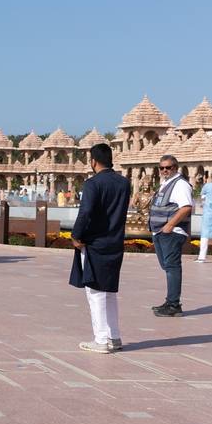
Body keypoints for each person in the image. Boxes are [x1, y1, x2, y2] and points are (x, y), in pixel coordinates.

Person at [70, 143, 131, 353]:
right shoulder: (124, 183)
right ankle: (114, 336)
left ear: (93, 161)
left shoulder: (92, 184)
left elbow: (85, 213)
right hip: (115, 241)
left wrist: (76, 235)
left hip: (95, 243)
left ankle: (101, 339)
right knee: (110, 291)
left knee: (95, 291)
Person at [150, 155, 193, 317]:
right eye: (161, 168)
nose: (165, 171)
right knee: (167, 266)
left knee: (172, 267)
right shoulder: (166, 183)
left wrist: (170, 225)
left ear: (175, 168)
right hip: (160, 231)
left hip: (171, 232)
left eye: (168, 168)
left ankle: (174, 305)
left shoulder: (180, 184)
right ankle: (170, 301)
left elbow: (186, 207)